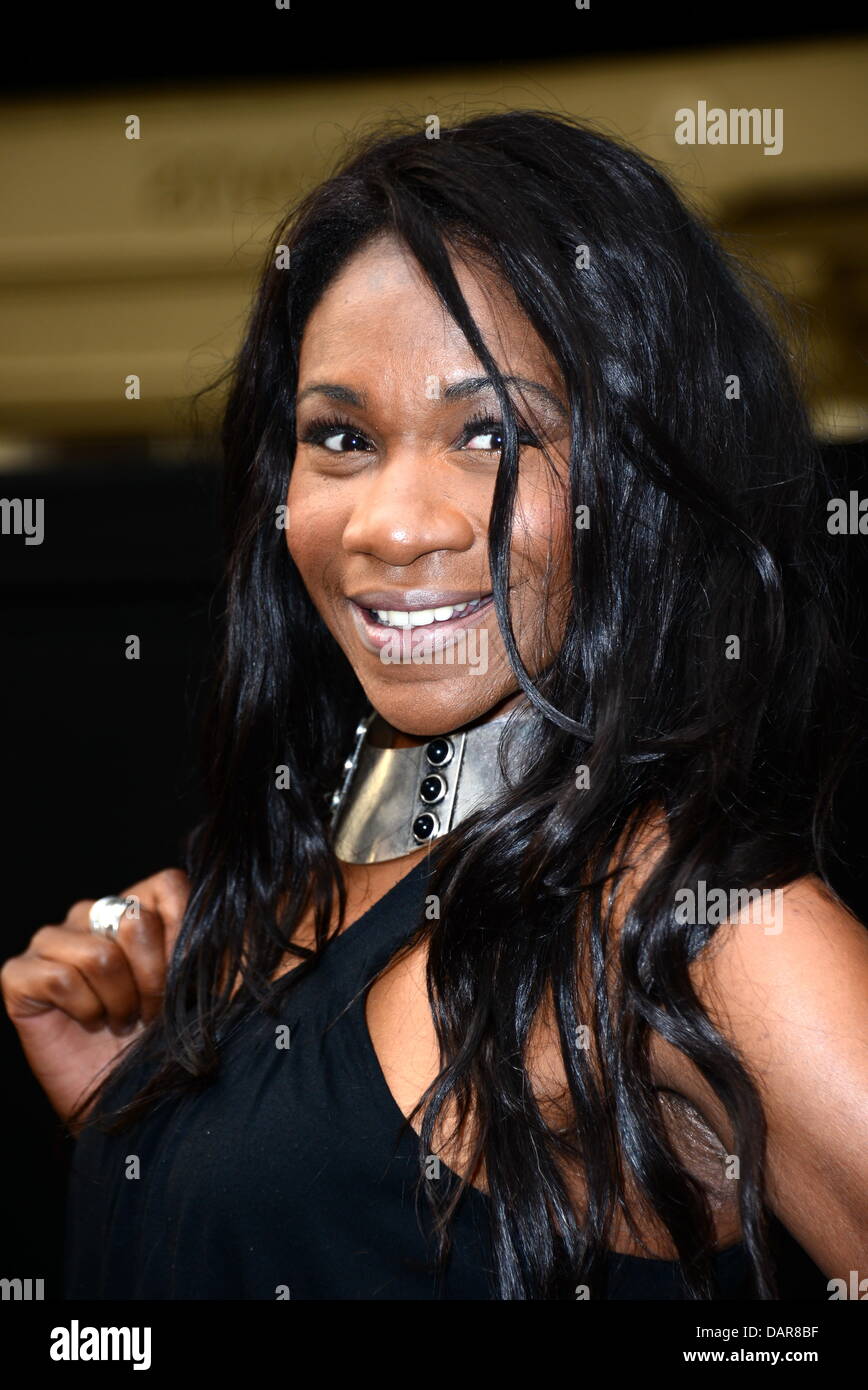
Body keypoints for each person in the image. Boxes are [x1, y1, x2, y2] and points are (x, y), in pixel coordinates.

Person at [3, 109, 866, 1301]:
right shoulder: (281, 873)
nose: (394, 524)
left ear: (642, 477)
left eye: (492, 431)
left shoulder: (696, 925)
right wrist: (148, 1126)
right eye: (341, 435)